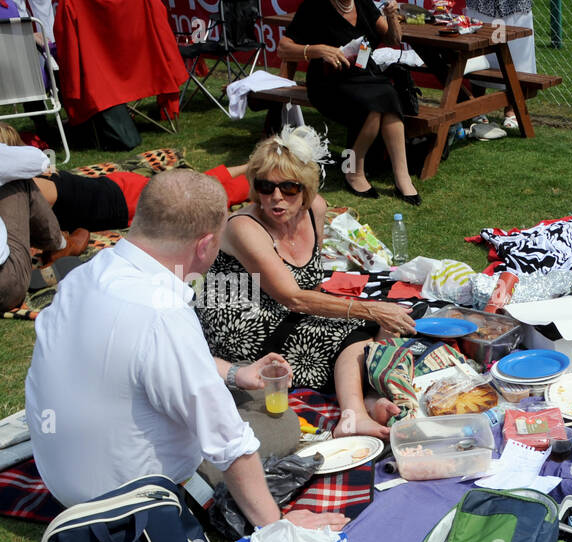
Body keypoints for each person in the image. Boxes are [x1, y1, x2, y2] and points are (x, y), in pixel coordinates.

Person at [25, 168, 347, 530]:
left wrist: (235, 373)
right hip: (130, 500)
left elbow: (141, 359)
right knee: (280, 422)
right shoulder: (163, 312)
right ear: (205, 244)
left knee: (245, 394)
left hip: (61, 477)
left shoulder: (86, 275)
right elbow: (228, 441)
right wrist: (278, 529)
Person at [195, 126, 415, 439]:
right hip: (242, 326)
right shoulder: (244, 227)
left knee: (385, 325)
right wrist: (364, 309)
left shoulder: (316, 210)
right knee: (352, 330)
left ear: (307, 188)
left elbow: (309, 286)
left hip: (284, 309)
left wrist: (356, 310)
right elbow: (293, 298)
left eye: (289, 188)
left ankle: (366, 399)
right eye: (266, 187)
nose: (276, 197)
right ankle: (353, 416)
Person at [277, 0, 421, 204]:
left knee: (388, 95)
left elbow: (394, 39)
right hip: (328, 82)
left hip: (365, 75)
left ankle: (402, 176)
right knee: (374, 105)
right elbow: (283, 48)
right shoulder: (315, 6)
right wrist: (318, 50)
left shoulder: (363, 3)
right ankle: (353, 171)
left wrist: (391, 17)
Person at [32, 161, 250, 234]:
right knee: (197, 186)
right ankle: (252, 168)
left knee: (198, 197)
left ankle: (258, 177)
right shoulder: (29, 185)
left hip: (124, 198)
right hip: (118, 190)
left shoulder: (31, 191)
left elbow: (39, 205)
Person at [0, 125, 86, 311]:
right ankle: (60, 245)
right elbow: (38, 160)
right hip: (5, 284)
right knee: (19, 179)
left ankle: (58, 243)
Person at [464, 0, 536, 133]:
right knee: (478, 56)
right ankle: (477, 107)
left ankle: (512, 109)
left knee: (516, 58)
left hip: (516, 8)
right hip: (480, 6)